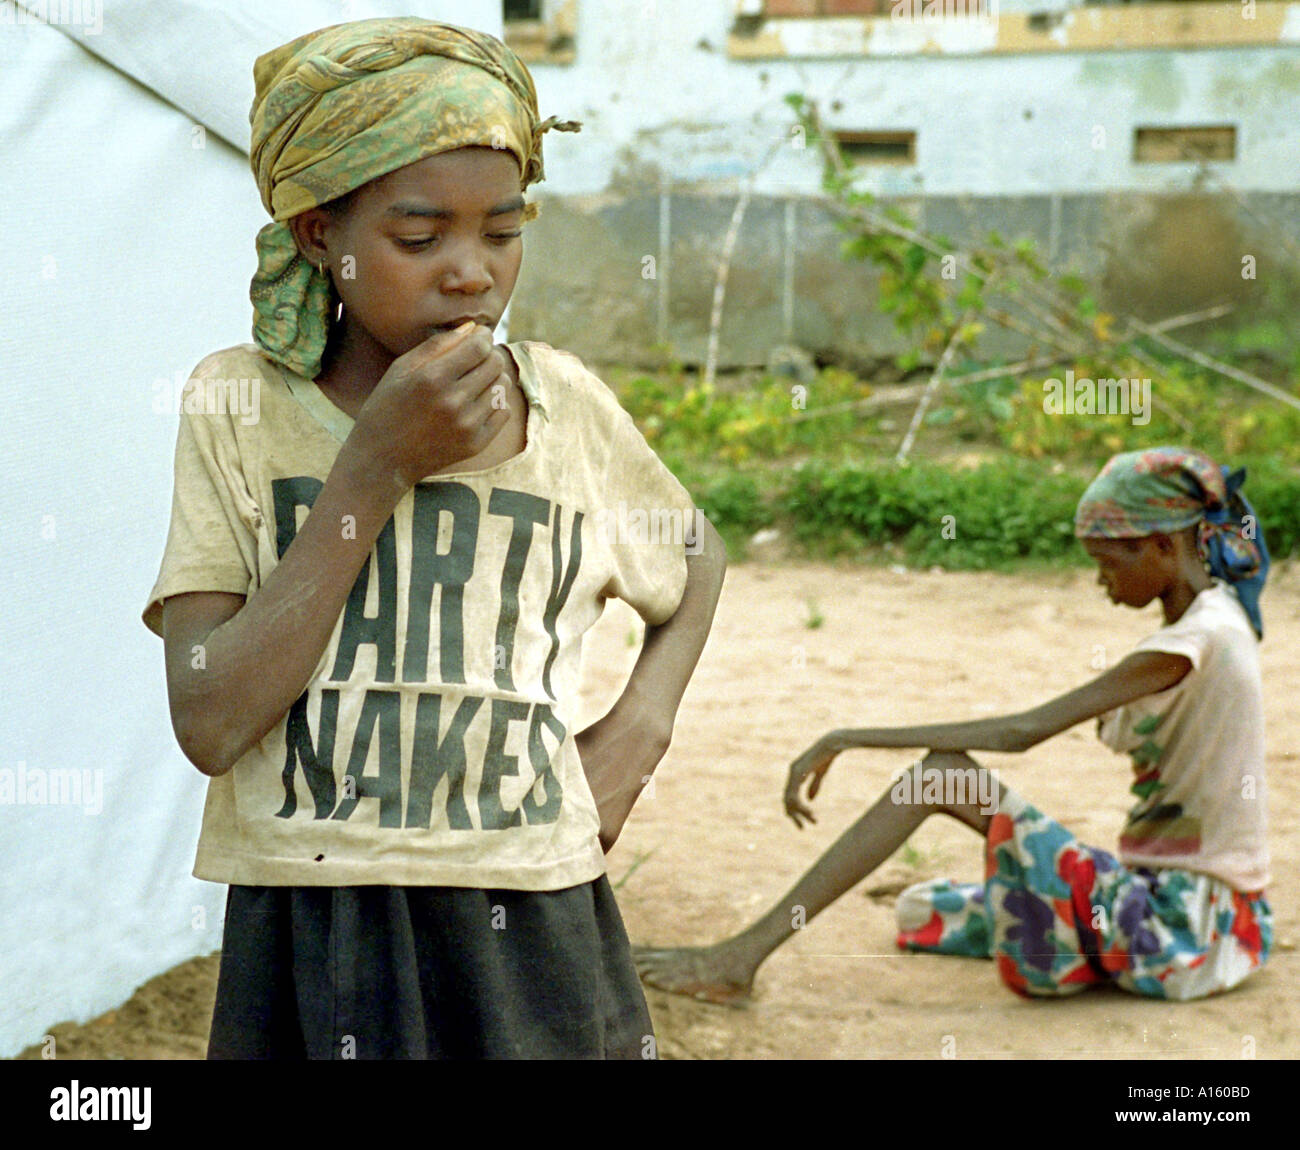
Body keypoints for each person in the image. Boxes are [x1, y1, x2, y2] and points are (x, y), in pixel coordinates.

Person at [142, 18, 726, 1060]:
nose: (471, 273)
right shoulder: (237, 406)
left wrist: (642, 724)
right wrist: (374, 467)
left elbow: (695, 556)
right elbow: (211, 716)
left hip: (536, 913)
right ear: (321, 235)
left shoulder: (567, 408)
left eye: (503, 232)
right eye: (421, 238)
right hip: (320, 918)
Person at [635, 446, 1271, 1004]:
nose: (1102, 584)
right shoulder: (1212, 624)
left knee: (941, 777)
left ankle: (737, 961)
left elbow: (1022, 732)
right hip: (1191, 908)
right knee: (923, 910)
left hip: (1186, 927)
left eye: (1108, 564)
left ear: (1163, 546)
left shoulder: (1191, 643)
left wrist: (846, 737)